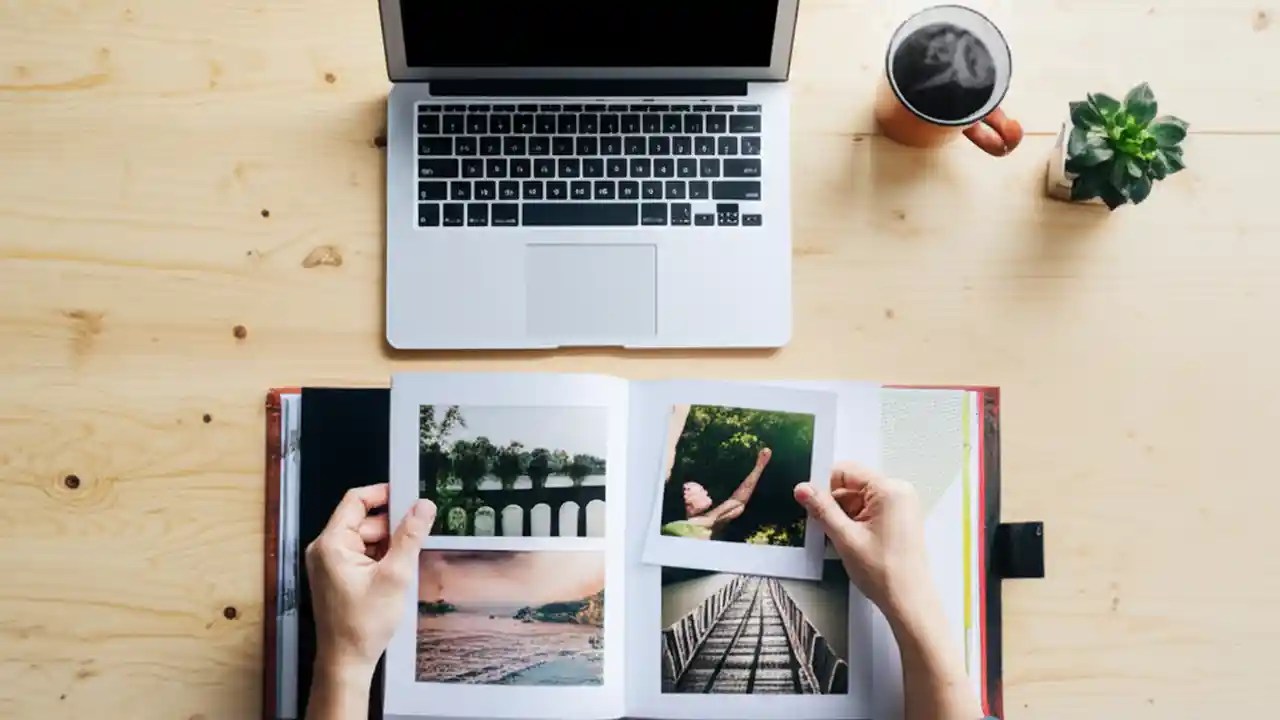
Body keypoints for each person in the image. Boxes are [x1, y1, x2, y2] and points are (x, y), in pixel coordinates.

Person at [304, 462, 986, 720]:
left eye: (696, 488)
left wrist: (342, 662)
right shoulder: (677, 514)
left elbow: (742, 496)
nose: (692, 491)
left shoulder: (713, 515)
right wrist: (914, 595)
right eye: (686, 487)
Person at [660, 447, 772, 540]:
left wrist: (759, 466)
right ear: (686, 496)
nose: (706, 492)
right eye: (702, 490)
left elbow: (737, 503)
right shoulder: (671, 531)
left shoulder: (704, 521)